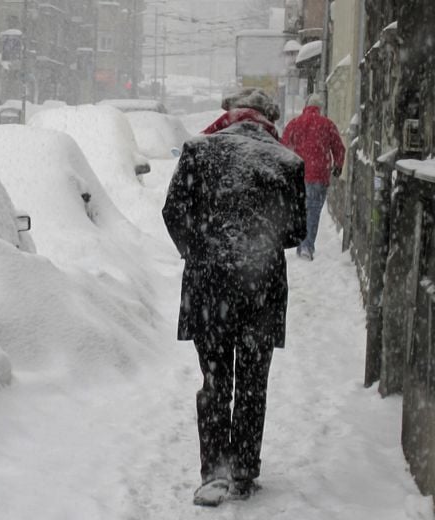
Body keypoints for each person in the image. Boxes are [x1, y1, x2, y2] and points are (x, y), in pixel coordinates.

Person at [162, 88, 306, 507]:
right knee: (252, 384)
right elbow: (296, 231)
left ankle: (214, 472)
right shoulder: (286, 162)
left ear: (230, 113)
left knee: (214, 381)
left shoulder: (198, 151)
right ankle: (243, 469)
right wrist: (258, 248)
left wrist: (200, 251)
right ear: (267, 117)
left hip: (208, 289)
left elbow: (173, 212)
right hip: (262, 291)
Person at [281, 93, 346, 260]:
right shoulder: (327, 124)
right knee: (313, 211)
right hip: (319, 175)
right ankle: (307, 246)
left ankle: (301, 244)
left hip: (298, 174)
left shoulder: (295, 123)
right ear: (320, 108)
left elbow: (283, 147)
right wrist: (338, 166)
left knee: (300, 210)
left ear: (306, 106)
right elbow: (339, 148)